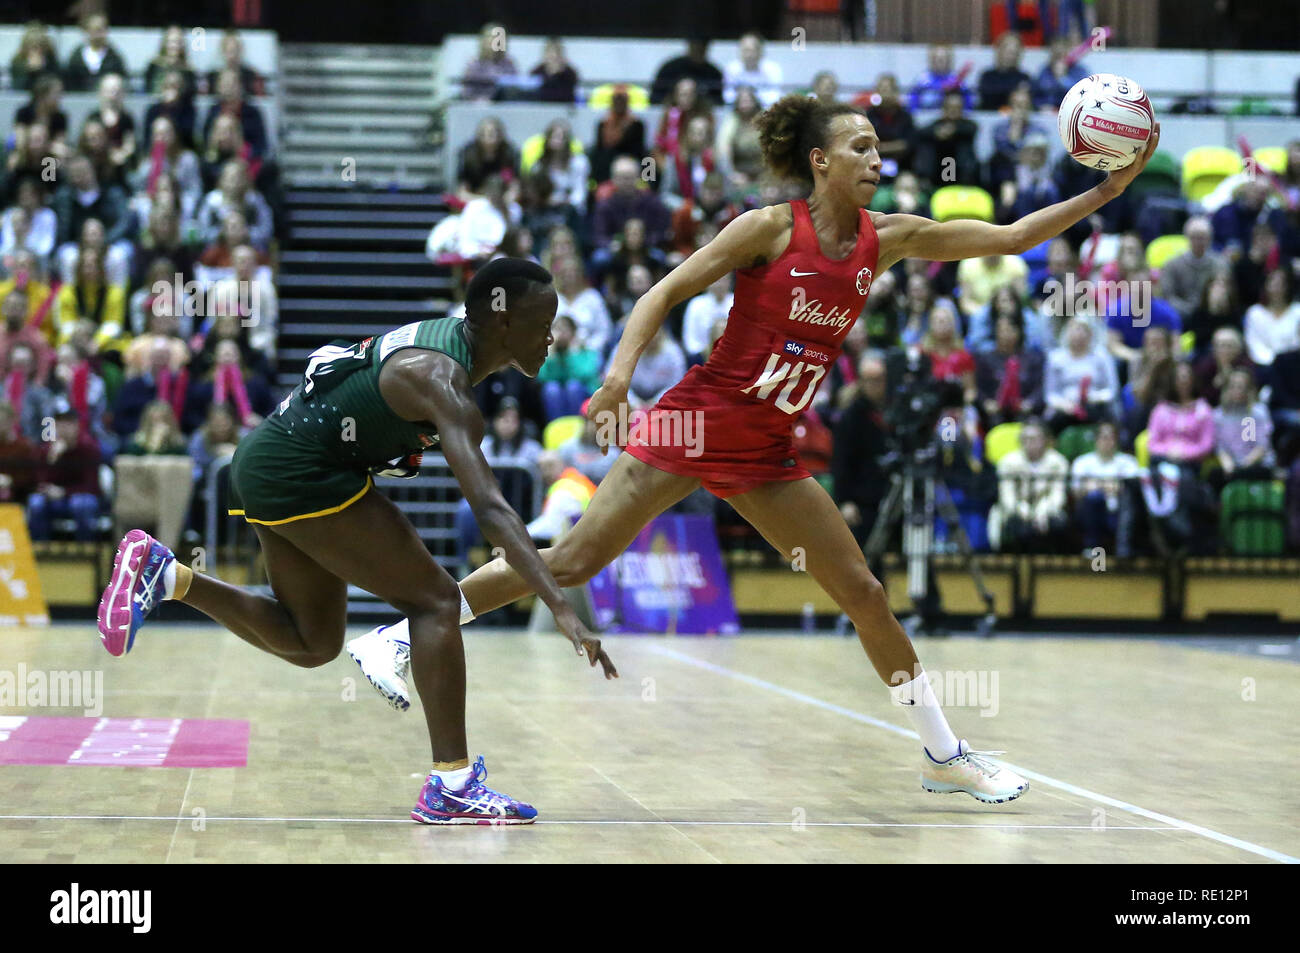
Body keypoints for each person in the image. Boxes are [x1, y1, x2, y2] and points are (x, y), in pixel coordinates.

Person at [352, 94, 1163, 806]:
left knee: (866, 593)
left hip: (768, 450)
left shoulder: (892, 237)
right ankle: (402, 632)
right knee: (571, 560)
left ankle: (946, 753)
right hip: (693, 421)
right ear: (820, 162)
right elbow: (661, 292)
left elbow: (1014, 235)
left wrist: (1108, 188)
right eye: (861, 148)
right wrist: (618, 380)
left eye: (881, 147)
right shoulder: (770, 229)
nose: (878, 158)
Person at [97, 258, 610, 825]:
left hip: (273, 462)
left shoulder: (455, 358)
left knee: (312, 642)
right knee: (436, 600)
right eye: (544, 323)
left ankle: (167, 576)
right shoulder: (441, 381)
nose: (554, 336)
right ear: (503, 321)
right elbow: (490, 510)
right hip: (298, 471)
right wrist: (562, 608)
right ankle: (453, 784)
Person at [990, 418, 1070, 552]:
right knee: (1019, 527)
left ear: (1045, 440)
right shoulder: (1008, 461)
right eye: (1025, 438)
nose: (1029, 442)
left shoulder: (1058, 462)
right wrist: (1025, 512)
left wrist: (1042, 512)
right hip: (1017, 509)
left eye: (1034, 438)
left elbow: (1058, 495)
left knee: (1057, 524)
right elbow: (1007, 496)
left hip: (1047, 509)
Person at [1070, 420, 1139, 555]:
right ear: (1096, 440)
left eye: (1112, 437)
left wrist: (1096, 484)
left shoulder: (1128, 462)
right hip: (1091, 513)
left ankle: (1124, 556)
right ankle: (1093, 551)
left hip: (1119, 512)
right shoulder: (1082, 462)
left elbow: (1132, 489)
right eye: (1104, 437)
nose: (1108, 442)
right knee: (1094, 498)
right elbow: (1076, 491)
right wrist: (1108, 486)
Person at [62, 12, 127, 92]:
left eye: (102, 30)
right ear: (87, 31)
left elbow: (122, 79)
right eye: (96, 30)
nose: (99, 34)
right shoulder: (76, 57)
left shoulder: (114, 57)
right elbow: (69, 82)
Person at [650, 38, 724, 106]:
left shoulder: (713, 73)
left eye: (702, 45)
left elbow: (718, 103)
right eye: (696, 44)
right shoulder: (670, 69)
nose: (699, 49)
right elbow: (655, 100)